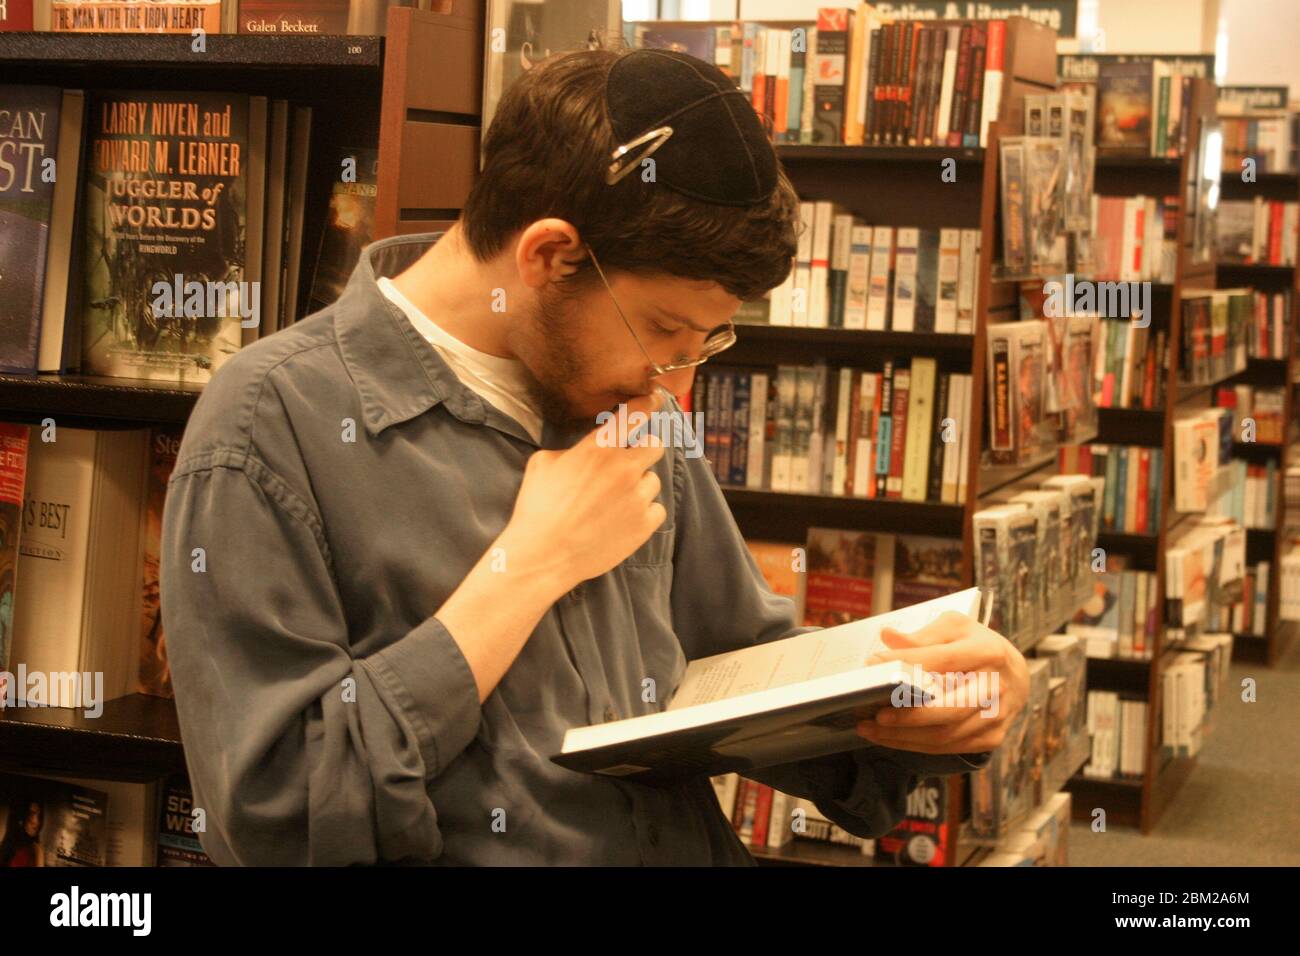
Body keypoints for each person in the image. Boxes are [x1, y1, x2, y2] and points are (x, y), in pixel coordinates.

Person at [160, 46, 1028, 866]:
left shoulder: (624, 400)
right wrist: (526, 568)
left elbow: (743, 678)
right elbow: (276, 819)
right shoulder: (269, 424)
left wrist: (923, 705)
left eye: (705, 343)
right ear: (548, 254)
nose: (676, 387)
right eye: (662, 332)